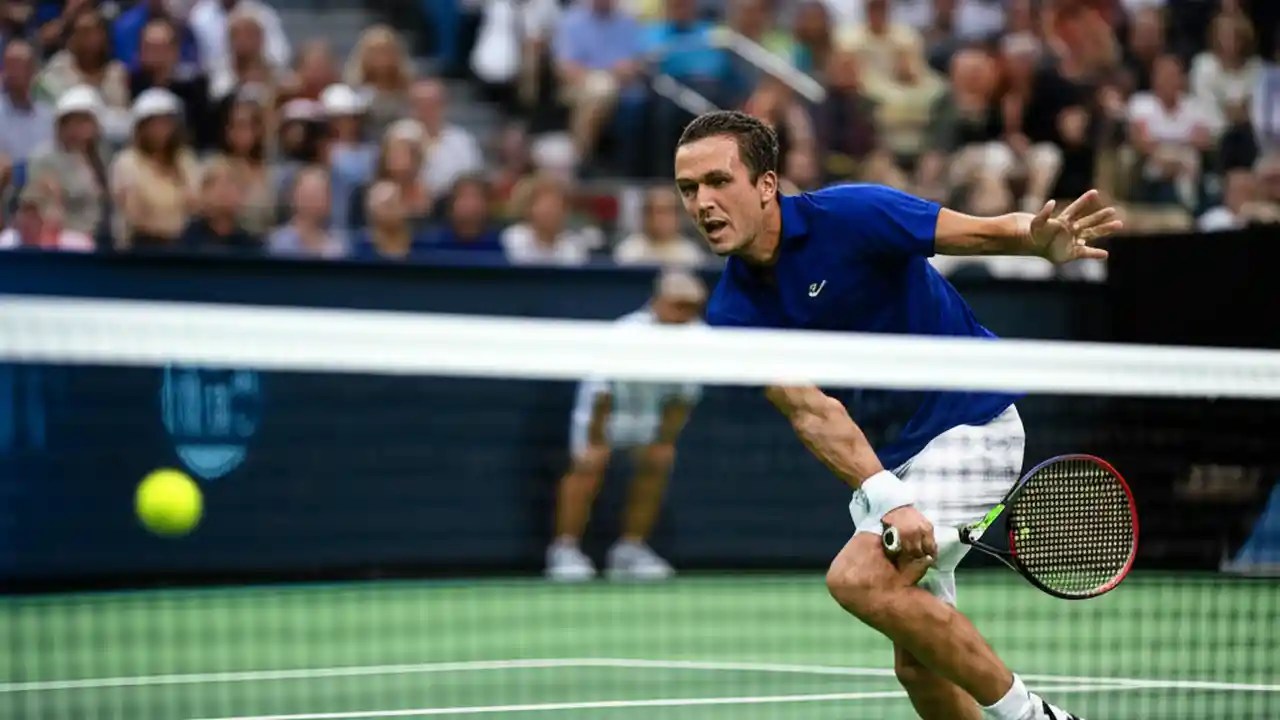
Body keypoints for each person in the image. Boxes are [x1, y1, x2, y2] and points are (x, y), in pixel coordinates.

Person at [672, 111, 1120, 720]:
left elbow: (987, 233)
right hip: (900, 461)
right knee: (919, 663)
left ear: (767, 184)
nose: (703, 202)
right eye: (689, 189)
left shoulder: (855, 215)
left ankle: (1039, 718)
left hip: (973, 422)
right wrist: (887, 494)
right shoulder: (731, 310)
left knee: (856, 580)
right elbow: (810, 411)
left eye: (718, 181)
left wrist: (1037, 240)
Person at [545, 269, 707, 583]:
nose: (686, 314)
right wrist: (597, 441)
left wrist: (663, 441)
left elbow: (682, 401)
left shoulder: (697, 338)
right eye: (679, 305)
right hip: (605, 412)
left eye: (692, 306)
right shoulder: (626, 334)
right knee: (589, 465)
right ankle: (564, 551)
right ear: (658, 302)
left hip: (651, 417)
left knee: (659, 462)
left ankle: (629, 551)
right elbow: (602, 394)